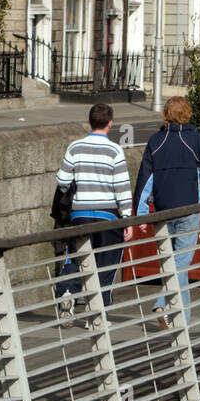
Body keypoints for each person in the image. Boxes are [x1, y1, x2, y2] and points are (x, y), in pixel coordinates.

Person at [133, 95, 200, 329]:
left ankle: (181, 320)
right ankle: (162, 304)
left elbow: (145, 181)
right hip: (189, 209)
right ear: (188, 113)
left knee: (172, 265)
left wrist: (141, 214)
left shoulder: (155, 141)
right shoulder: (197, 140)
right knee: (181, 264)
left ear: (166, 115)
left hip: (162, 212)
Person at [55, 103, 134, 324]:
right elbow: (122, 187)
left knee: (76, 257)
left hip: (79, 215)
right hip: (107, 216)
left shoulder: (75, 147)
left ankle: (67, 293)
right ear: (110, 123)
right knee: (106, 264)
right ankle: (98, 313)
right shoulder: (115, 151)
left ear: (90, 122)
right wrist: (127, 218)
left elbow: (62, 181)